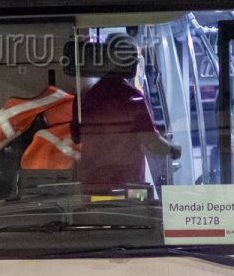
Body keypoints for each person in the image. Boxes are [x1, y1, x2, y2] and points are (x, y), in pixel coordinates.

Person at [74, 35, 179, 192]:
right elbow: (151, 142)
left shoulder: (85, 95)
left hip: (92, 186)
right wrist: (172, 149)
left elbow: (76, 136)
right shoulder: (133, 98)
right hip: (128, 186)